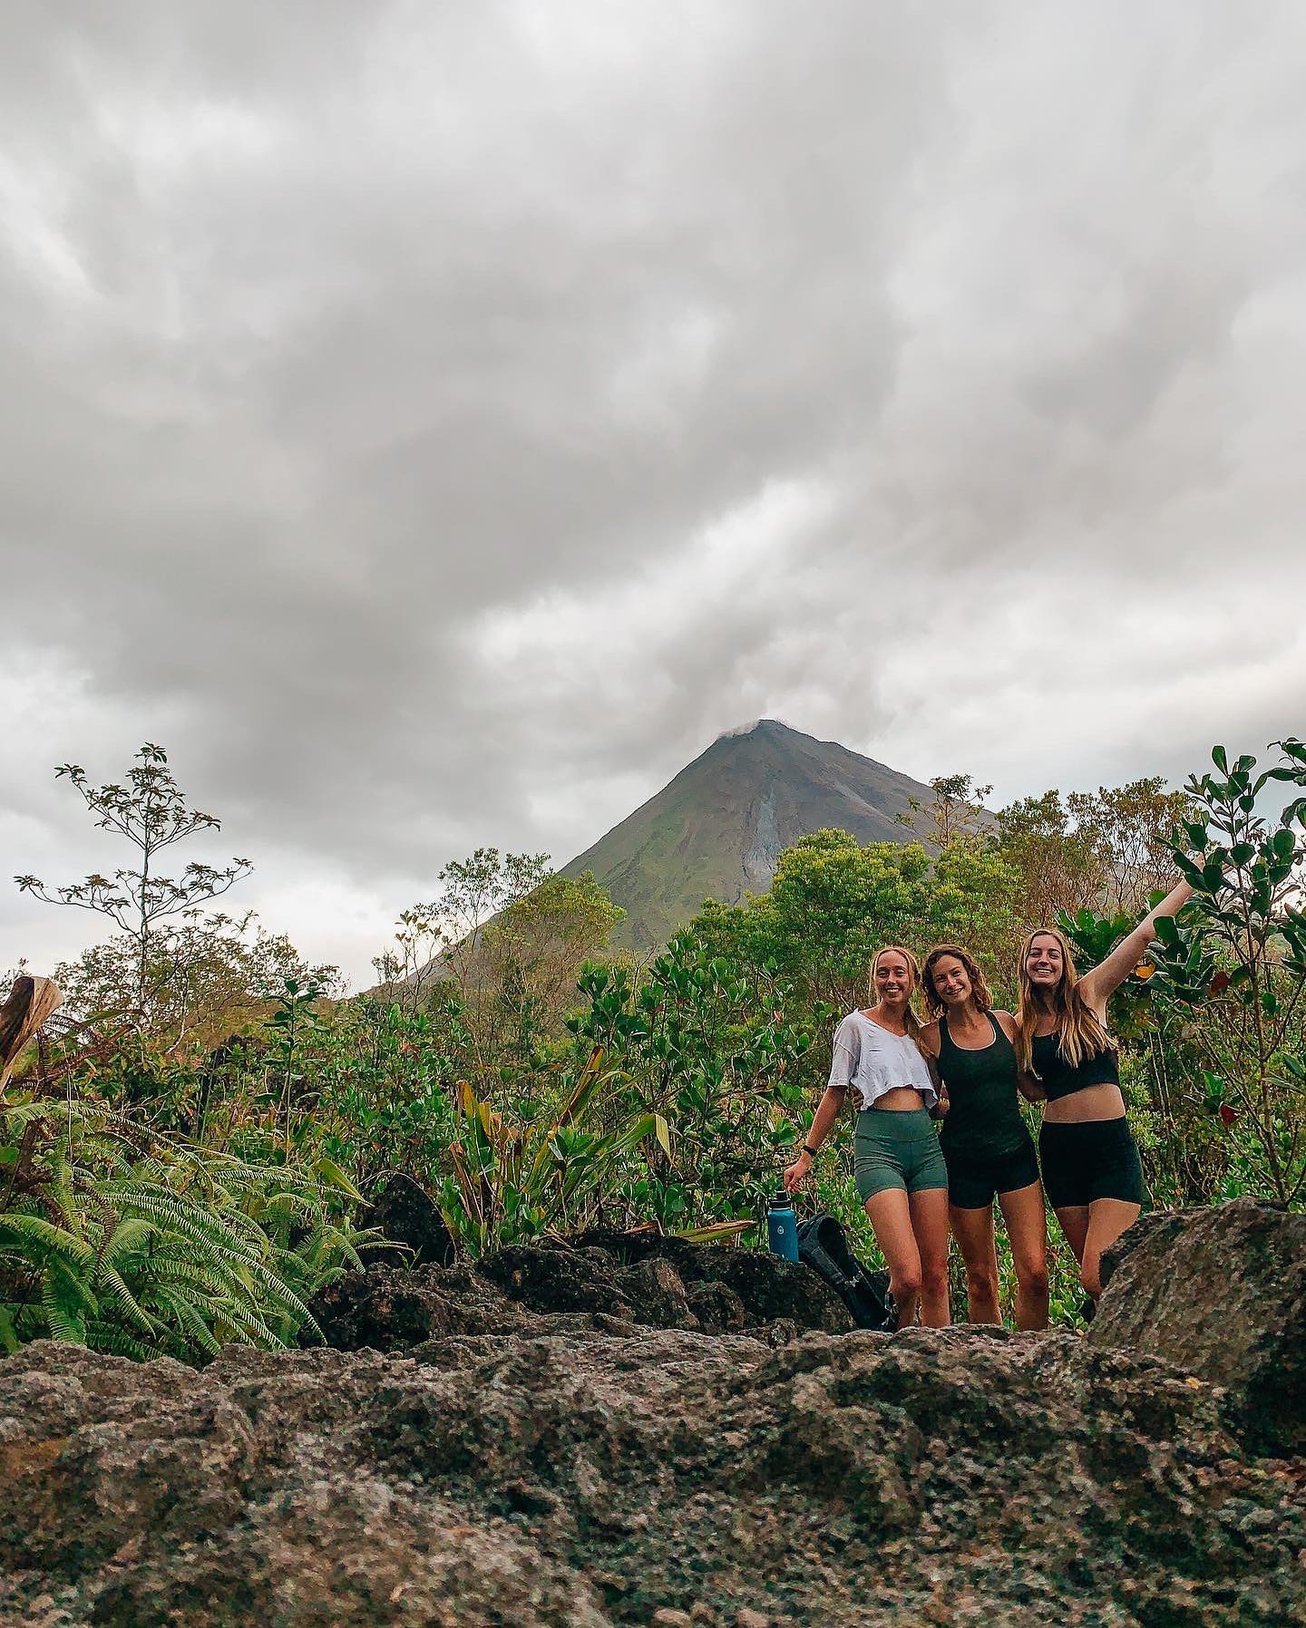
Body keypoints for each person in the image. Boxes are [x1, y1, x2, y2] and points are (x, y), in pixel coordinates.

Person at [1015, 880, 1192, 1307]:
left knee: (1099, 1276)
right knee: (1096, 1285)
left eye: (1052, 953)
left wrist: (1192, 875)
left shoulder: (1089, 994)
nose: (1044, 960)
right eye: (1035, 953)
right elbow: (1031, 1092)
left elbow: (1146, 934)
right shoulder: (1018, 1026)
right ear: (1024, 964)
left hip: (1109, 1147)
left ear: (1064, 962)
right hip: (1061, 1153)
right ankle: (1110, 1361)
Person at [783, 946, 949, 1329]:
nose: (891, 981)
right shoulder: (856, 1026)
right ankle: (900, 1334)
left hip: (926, 1149)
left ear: (912, 981)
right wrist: (807, 1155)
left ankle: (941, 1360)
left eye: (899, 973)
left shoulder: (924, 1037)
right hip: (879, 1148)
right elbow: (835, 1091)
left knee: (935, 1277)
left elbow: (937, 1101)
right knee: (907, 1276)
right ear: (874, 979)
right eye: (883, 973)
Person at [917, 945, 1049, 1331]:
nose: (950, 982)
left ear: (971, 976)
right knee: (980, 1282)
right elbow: (927, 1099)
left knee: (1036, 1274)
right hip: (963, 1163)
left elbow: (1030, 1087)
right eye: (941, 978)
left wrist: (1088, 1074)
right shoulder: (931, 1038)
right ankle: (992, 1370)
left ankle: (1034, 1361)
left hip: (1015, 1158)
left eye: (956, 973)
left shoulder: (1006, 1023)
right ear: (933, 989)